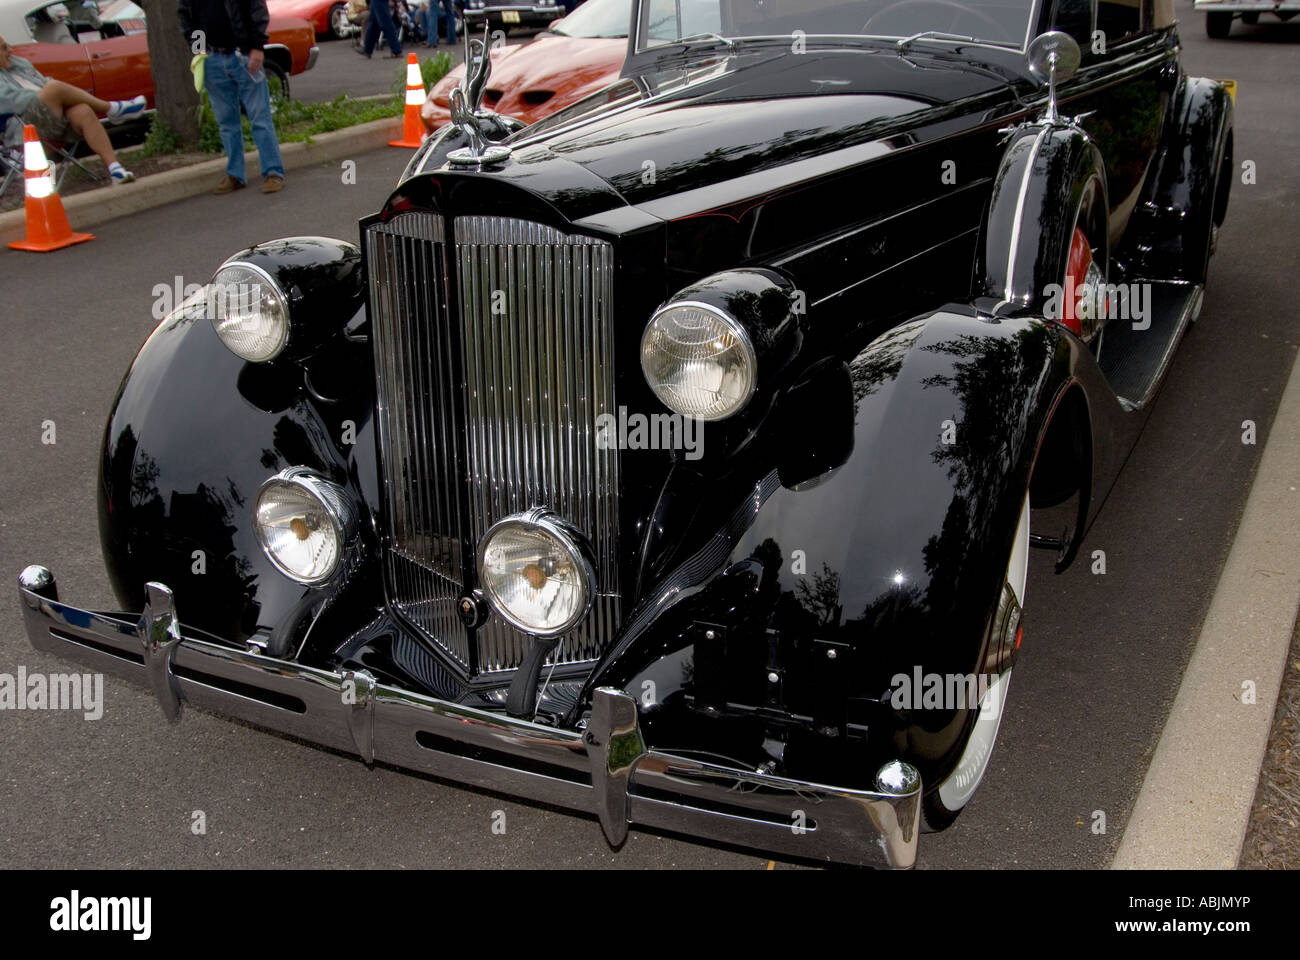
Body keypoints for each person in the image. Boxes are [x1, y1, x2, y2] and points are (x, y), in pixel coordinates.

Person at [0, 35, 143, 184]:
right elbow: (13, 101)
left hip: (53, 118)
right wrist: (49, 95)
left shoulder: (19, 64)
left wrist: (54, 97)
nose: (10, 50)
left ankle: (115, 169)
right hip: (24, 127)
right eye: (4, 48)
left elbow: (45, 81)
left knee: (83, 110)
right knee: (53, 88)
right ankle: (111, 109)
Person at [178, 0, 285, 194]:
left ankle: (273, 172)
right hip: (212, 59)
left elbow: (257, 9)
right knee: (226, 122)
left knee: (259, 118)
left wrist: (257, 46)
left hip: (243, 54)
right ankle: (235, 175)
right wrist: (199, 48)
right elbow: (187, 16)